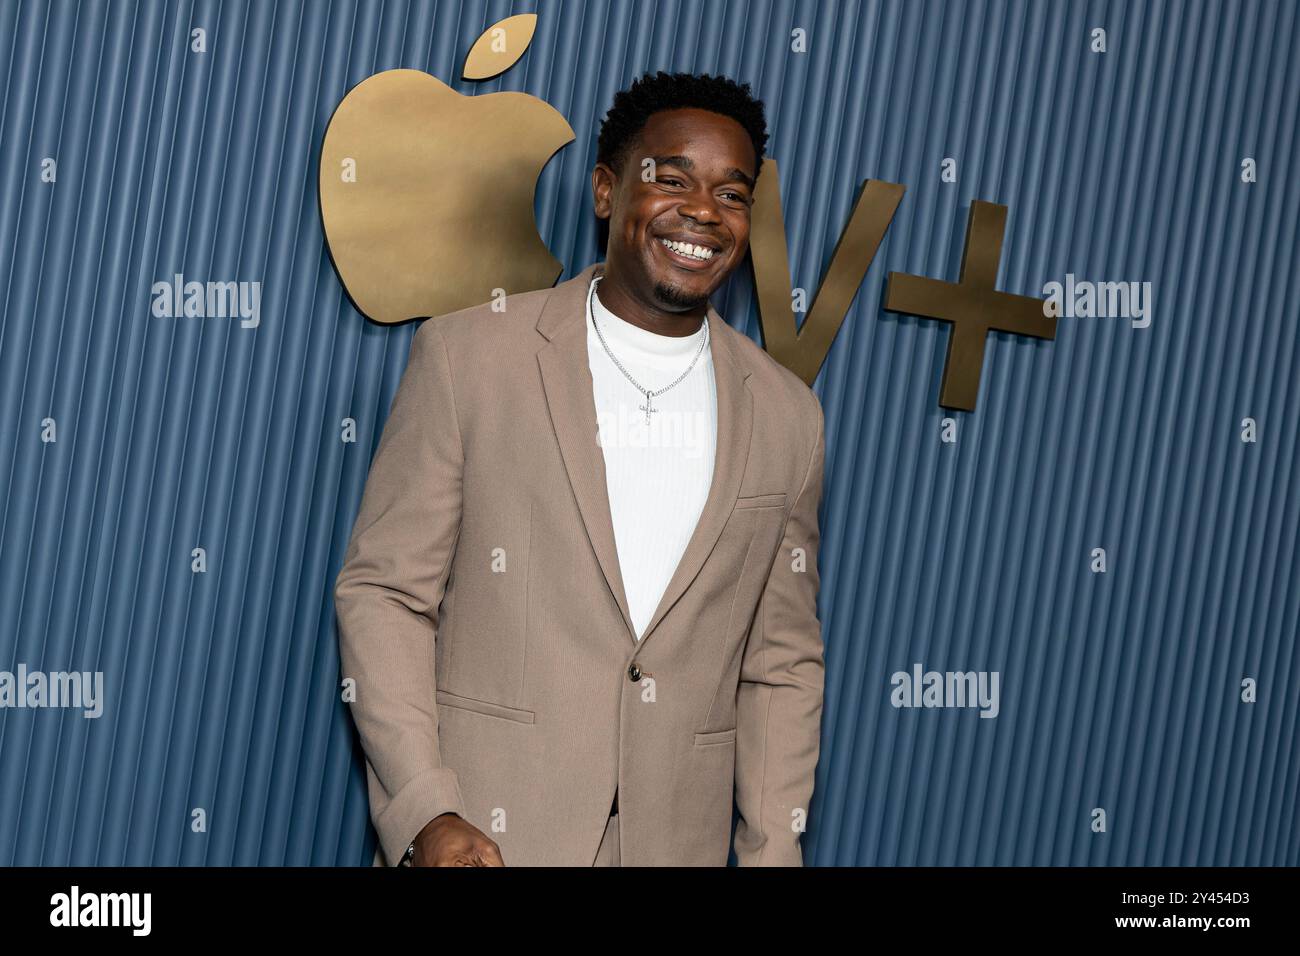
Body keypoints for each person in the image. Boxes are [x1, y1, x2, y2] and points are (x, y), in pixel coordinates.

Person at [334, 71, 826, 866]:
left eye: (732, 195)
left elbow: (781, 665)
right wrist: (428, 809)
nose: (702, 210)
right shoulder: (470, 358)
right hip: (487, 840)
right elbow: (386, 594)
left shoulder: (788, 416)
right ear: (606, 190)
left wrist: (773, 854)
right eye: (671, 178)